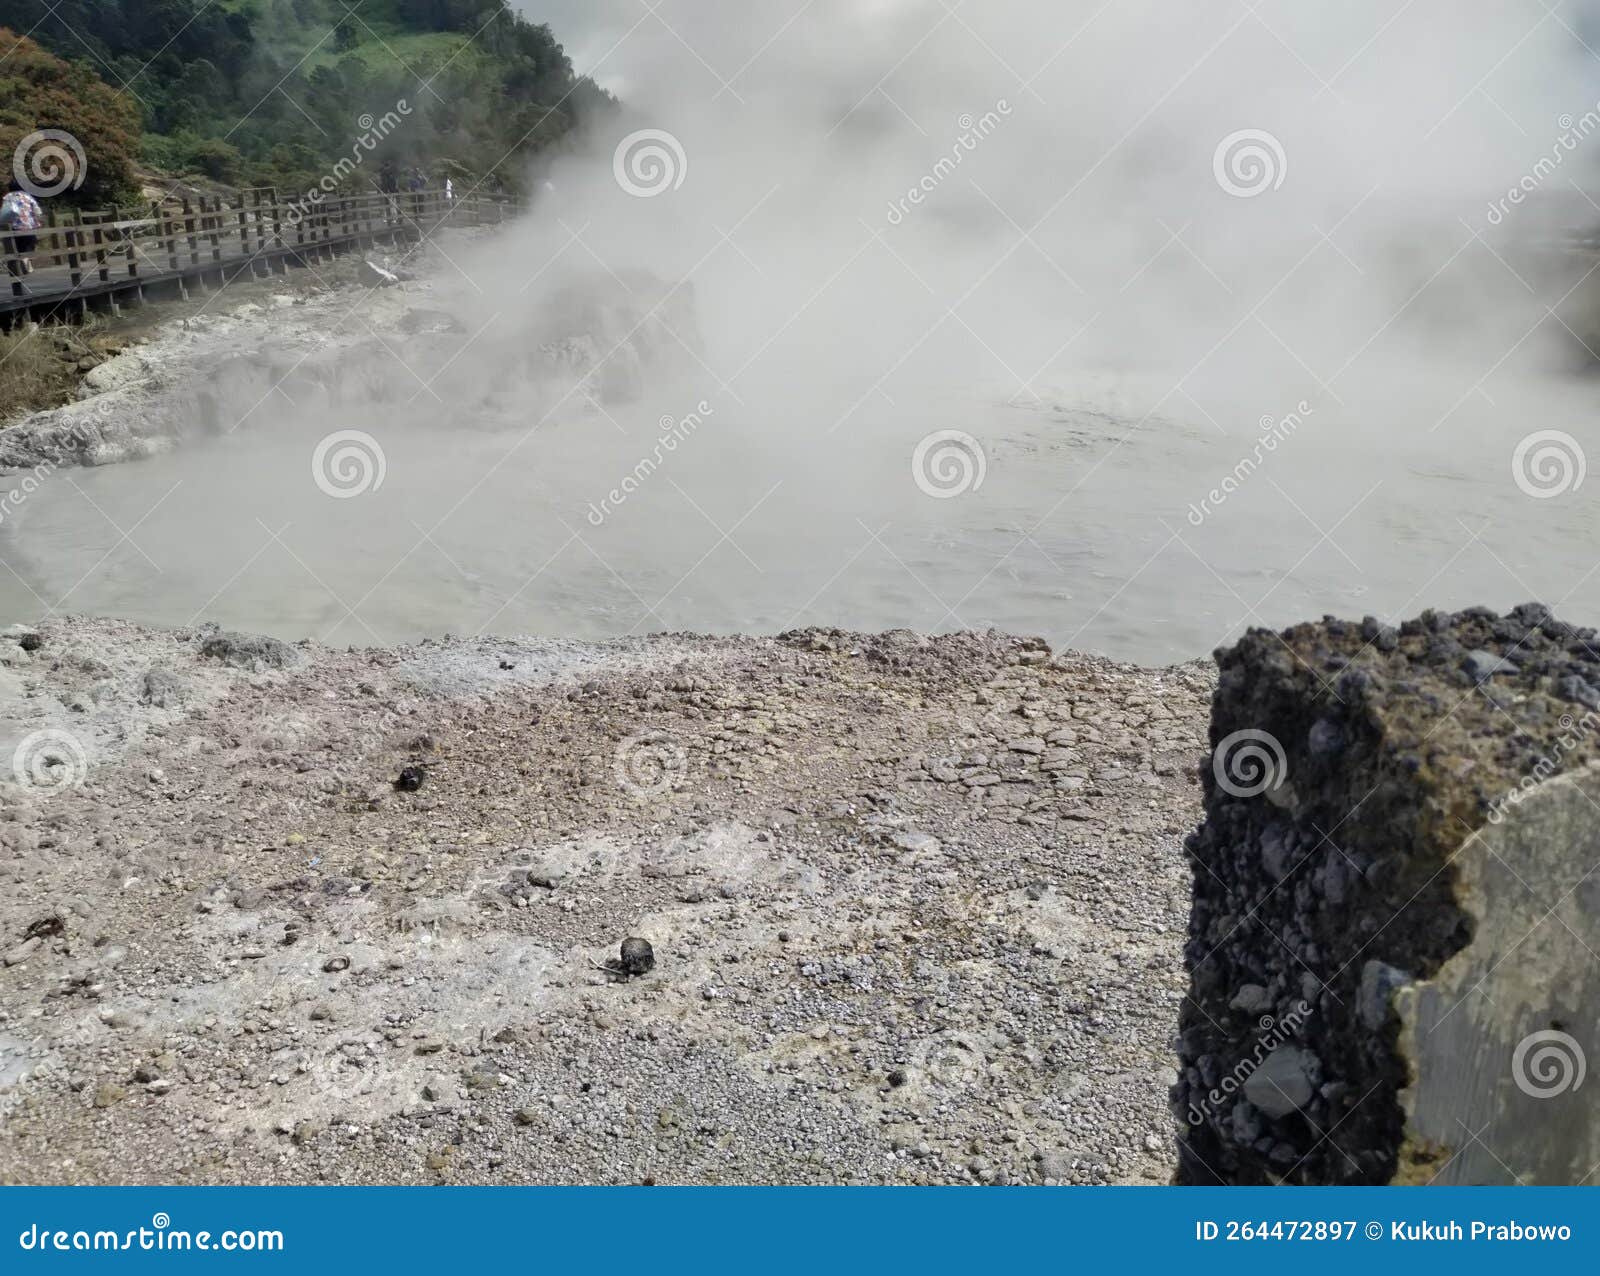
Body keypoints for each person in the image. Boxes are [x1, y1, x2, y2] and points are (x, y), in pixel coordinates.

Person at [0, 179, 43, 289]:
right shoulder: (28, 196)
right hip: (29, 227)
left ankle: (21, 267)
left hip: (14, 227)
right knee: (30, 245)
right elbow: (38, 211)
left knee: (17, 248)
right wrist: (38, 219)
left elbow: (4, 211)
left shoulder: (8, 197)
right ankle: (26, 263)